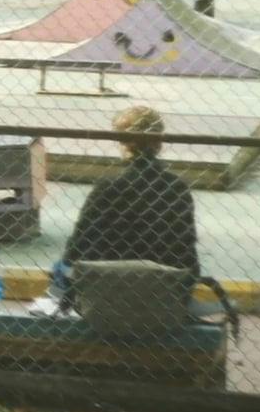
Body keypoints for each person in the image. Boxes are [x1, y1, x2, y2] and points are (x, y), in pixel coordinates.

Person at [34, 104, 198, 314]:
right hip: (165, 288)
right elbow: (187, 249)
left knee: (61, 265)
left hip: (108, 286)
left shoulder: (109, 187)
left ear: (121, 142)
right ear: (159, 141)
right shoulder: (177, 188)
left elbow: (79, 244)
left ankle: (54, 303)